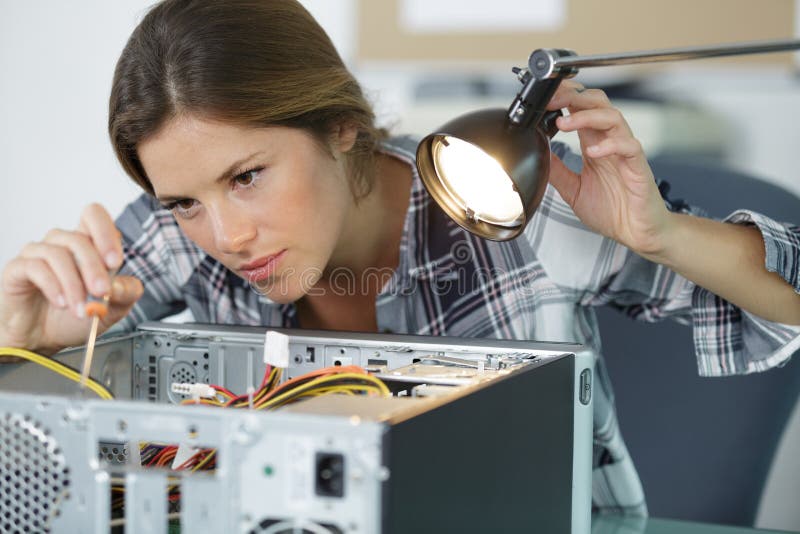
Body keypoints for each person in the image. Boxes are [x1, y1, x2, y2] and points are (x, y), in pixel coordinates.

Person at [1, 0, 799, 515]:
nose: (224, 235)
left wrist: (659, 235)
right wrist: (26, 330)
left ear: (342, 126)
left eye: (247, 178)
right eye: (184, 201)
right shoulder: (180, 232)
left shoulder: (510, 210)